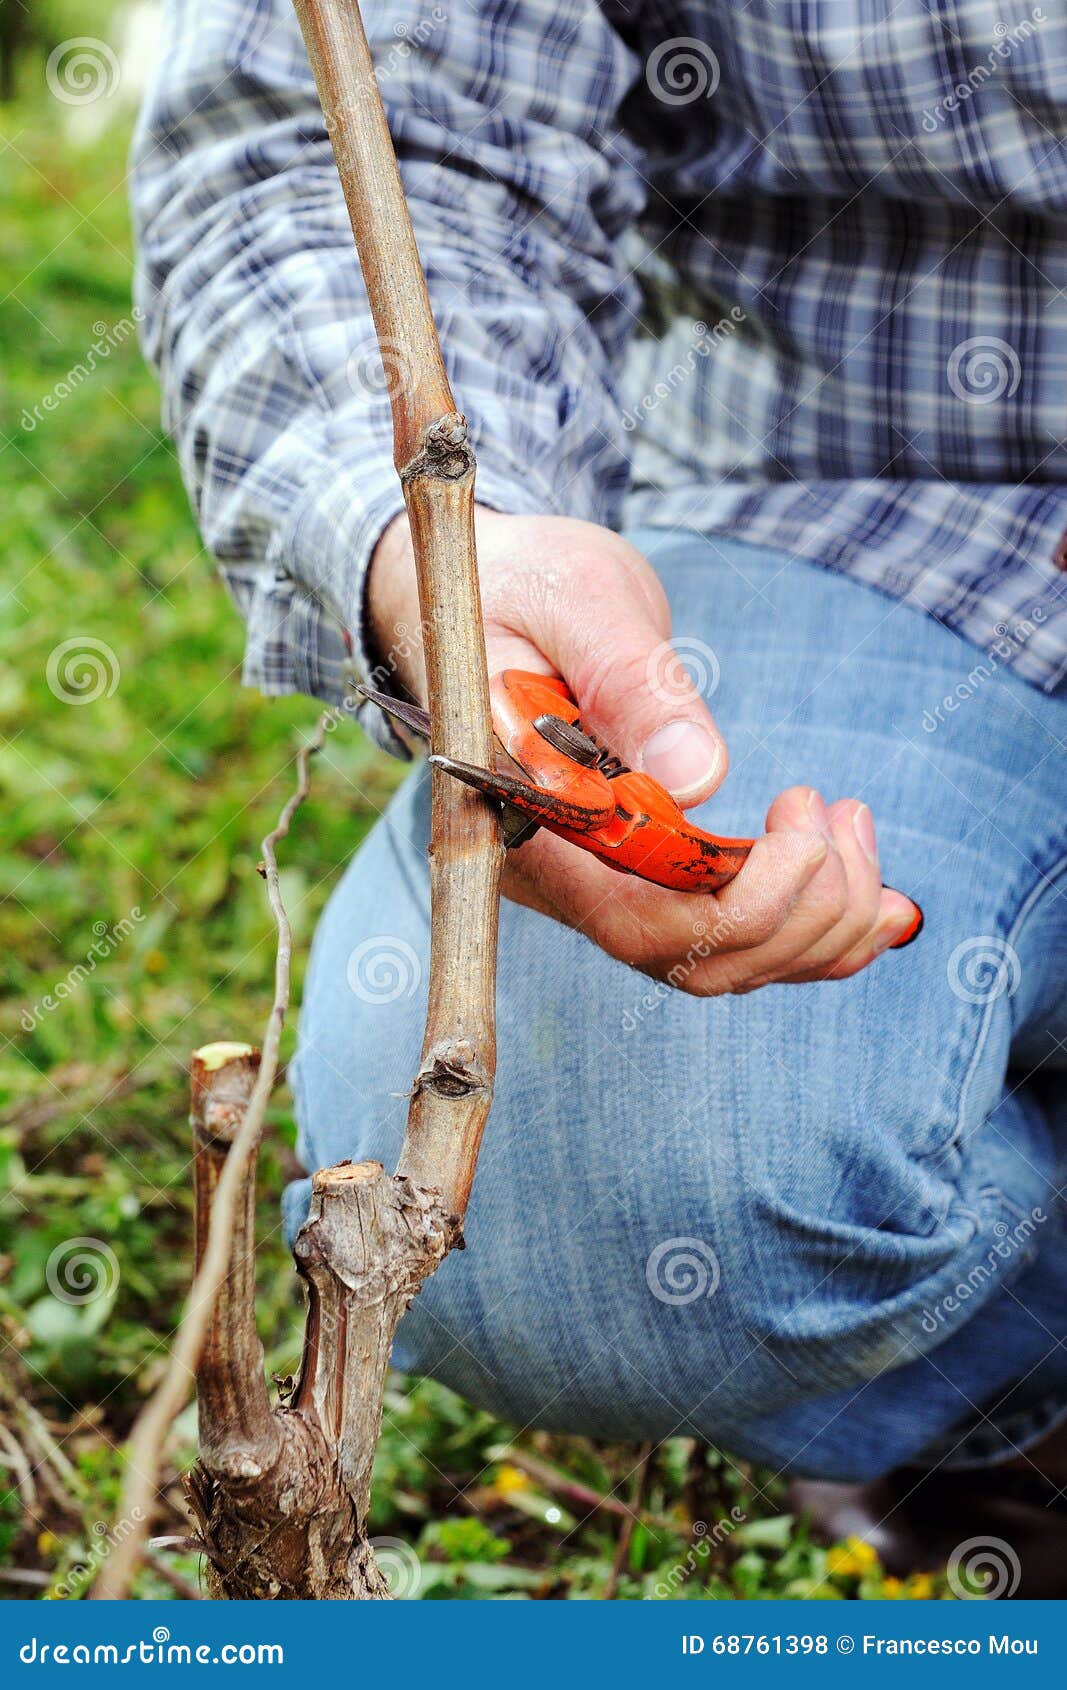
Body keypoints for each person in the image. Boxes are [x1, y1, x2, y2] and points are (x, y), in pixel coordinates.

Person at [132, 1, 1067, 1591]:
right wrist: (443, 554)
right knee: (605, 1189)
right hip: (872, 488)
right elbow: (358, 132)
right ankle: (1023, 1421)